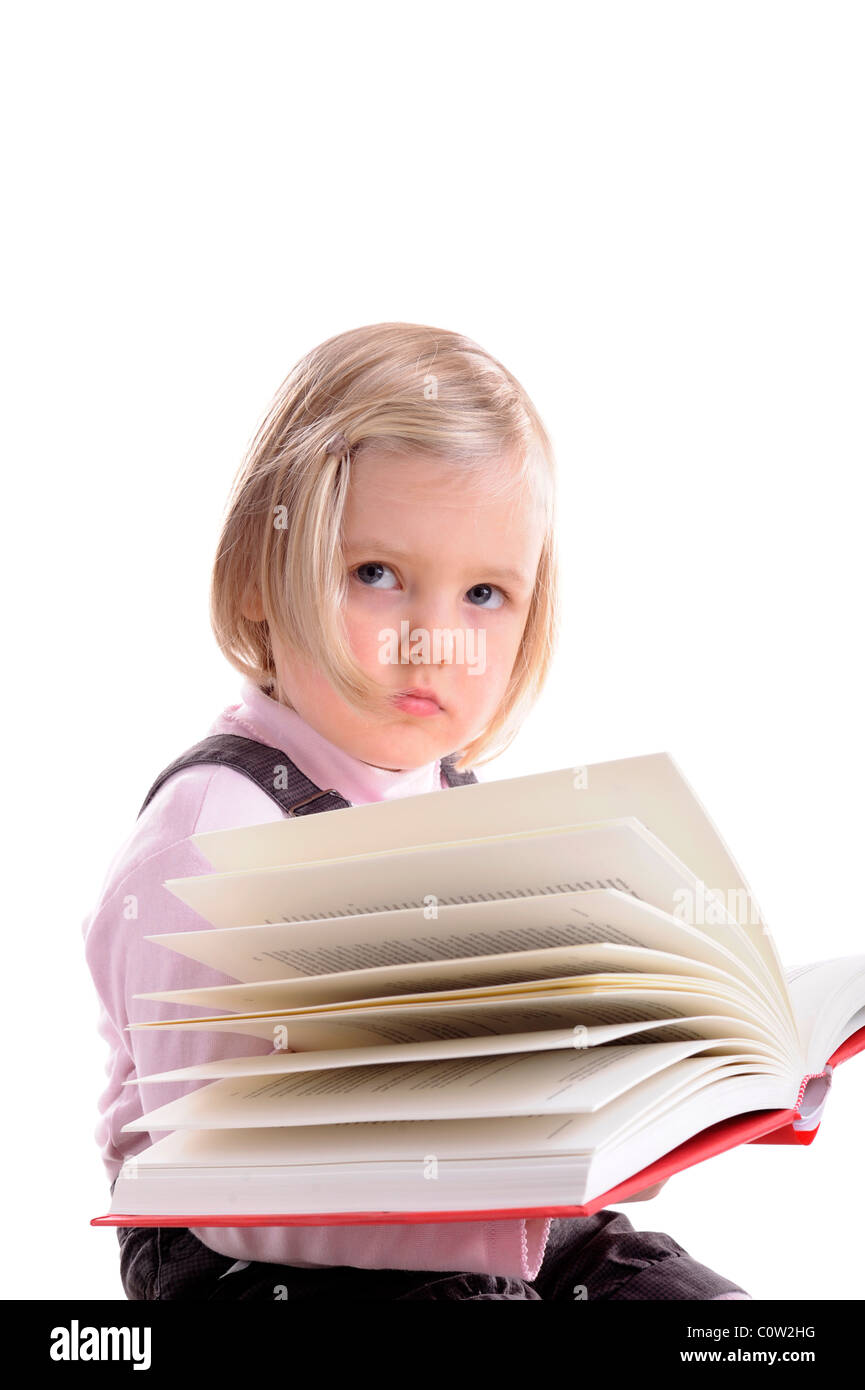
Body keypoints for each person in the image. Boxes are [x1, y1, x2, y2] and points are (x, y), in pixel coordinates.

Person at [82, 321, 753, 1300]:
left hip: (482, 1205)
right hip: (253, 1250)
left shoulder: (466, 818)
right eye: (377, 575)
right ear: (258, 580)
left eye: (484, 592)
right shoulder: (211, 834)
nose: (435, 642)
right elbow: (222, 1184)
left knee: (689, 1304)